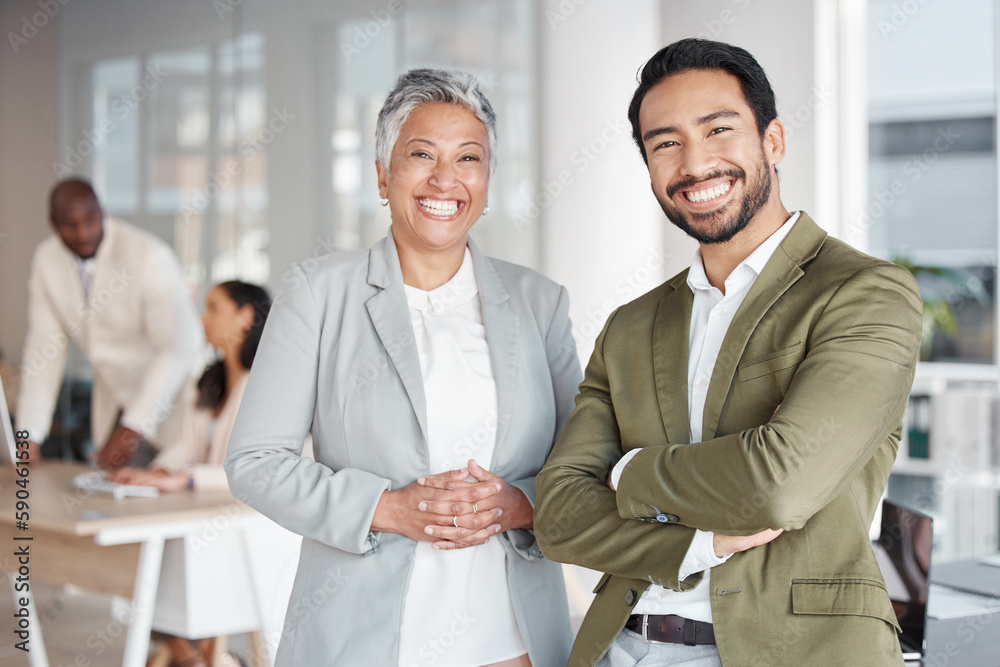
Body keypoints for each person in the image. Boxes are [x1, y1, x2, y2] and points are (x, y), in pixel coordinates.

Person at [534, 38, 923, 667]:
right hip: (622, 649)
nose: (695, 163)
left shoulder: (865, 293)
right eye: (666, 144)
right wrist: (704, 542)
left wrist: (629, 473)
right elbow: (557, 516)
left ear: (773, 140)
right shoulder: (631, 326)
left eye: (718, 130)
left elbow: (779, 484)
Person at [225, 69, 581, 667]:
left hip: (512, 636)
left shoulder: (539, 302)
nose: (446, 178)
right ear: (383, 175)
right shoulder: (318, 293)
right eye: (421, 154)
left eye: (469, 158)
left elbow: (584, 464)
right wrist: (388, 508)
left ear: (487, 181)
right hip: (357, 636)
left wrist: (517, 505)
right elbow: (255, 463)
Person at [17, 178, 201, 468]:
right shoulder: (46, 260)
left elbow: (177, 349)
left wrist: (133, 429)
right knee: (111, 493)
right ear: (52, 223)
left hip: (176, 401)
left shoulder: (149, 256)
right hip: (114, 399)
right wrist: (29, 436)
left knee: (169, 492)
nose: (83, 232)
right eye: (69, 224)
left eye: (90, 219)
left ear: (102, 212)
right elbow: (44, 351)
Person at [110, 281, 270, 492]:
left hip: (243, 515)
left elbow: (260, 470)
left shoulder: (266, 387)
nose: (202, 318)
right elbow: (188, 445)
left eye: (214, 309)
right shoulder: (209, 381)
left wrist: (187, 479)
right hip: (201, 508)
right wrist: (158, 472)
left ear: (246, 317)